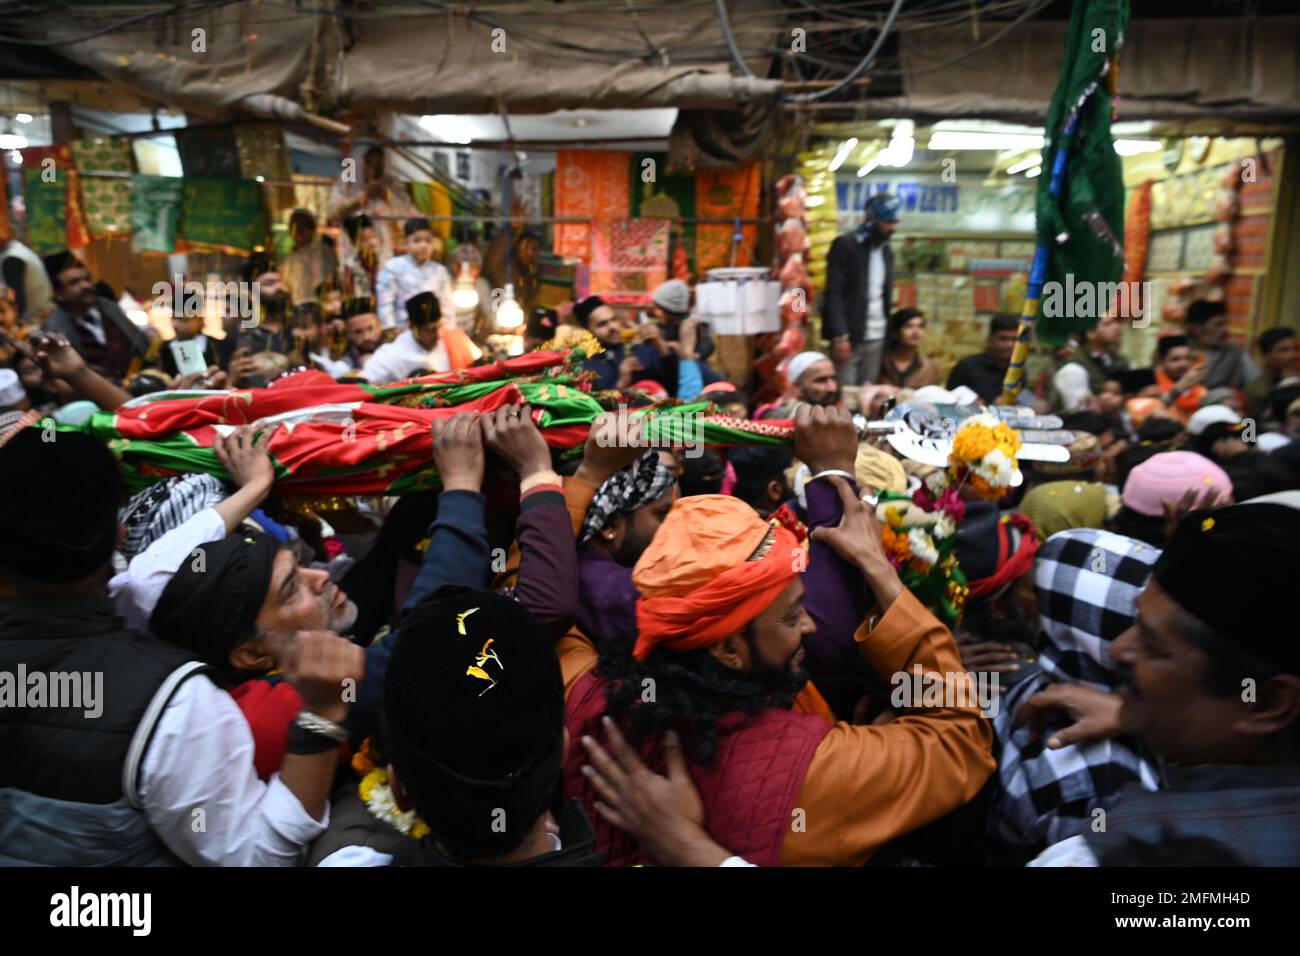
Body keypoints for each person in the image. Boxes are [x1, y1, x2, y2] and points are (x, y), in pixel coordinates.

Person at [560, 407, 995, 866]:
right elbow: (962, 737)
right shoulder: (815, 772)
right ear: (727, 648)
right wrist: (881, 574)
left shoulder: (586, 698)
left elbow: (537, 597)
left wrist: (590, 475)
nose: (810, 626)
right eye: (791, 617)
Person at [0, 429, 364, 866]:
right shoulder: (171, 703)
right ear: (120, 534)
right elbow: (254, 857)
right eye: (289, 588)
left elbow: (149, 575)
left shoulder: (141, 641)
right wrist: (322, 718)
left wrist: (254, 488)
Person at [1030, 495, 1300, 866]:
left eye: (1153, 646)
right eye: (1134, 621)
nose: (1118, 650)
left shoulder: (1104, 856)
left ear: (1267, 703)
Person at [823, 192, 899, 387]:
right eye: (887, 222)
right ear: (873, 220)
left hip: (878, 336)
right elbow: (834, 292)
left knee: (868, 393)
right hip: (850, 335)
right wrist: (840, 336)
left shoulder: (887, 252)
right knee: (845, 392)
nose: (893, 228)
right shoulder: (846, 245)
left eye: (895, 222)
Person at [42, 250, 150, 384]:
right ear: (58, 294)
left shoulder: (109, 307)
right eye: (74, 283)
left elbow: (142, 345)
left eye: (87, 279)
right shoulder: (55, 328)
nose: (86, 286)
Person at [359, 291, 479, 385]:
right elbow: (364, 380)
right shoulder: (394, 352)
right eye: (430, 330)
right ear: (412, 327)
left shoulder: (454, 339)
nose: (437, 334)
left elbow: (480, 367)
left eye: (439, 327)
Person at [327, 146, 419, 263]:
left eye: (378, 165)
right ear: (363, 162)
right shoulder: (347, 181)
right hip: (354, 253)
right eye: (370, 163)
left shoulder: (392, 184)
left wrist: (386, 196)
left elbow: (408, 214)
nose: (374, 170)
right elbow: (333, 212)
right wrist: (361, 199)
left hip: (387, 254)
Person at [375, 218, 455, 331]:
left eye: (428, 241)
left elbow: (447, 307)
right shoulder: (392, 267)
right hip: (402, 332)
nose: (423, 246)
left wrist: (448, 331)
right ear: (406, 242)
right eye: (417, 241)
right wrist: (390, 330)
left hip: (432, 333)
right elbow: (385, 304)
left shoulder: (440, 271)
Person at [576, 295, 666, 392]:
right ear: (589, 332)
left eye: (613, 319)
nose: (612, 326)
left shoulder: (643, 351)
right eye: (602, 324)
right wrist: (622, 384)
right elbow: (618, 407)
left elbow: (671, 388)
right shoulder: (589, 369)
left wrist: (663, 349)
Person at [1184, 299, 1258, 392]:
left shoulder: (1236, 354)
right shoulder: (1178, 352)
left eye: (1225, 324)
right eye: (1218, 324)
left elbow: (1256, 385)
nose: (1225, 330)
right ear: (1197, 329)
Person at [946, 313, 1020, 404]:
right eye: (1003, 339)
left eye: (1014, 340)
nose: (1009, 345)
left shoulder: (1018, 369)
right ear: (990, 339)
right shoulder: (967, 367)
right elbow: (948, 403)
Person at [278, 209, 339, 307]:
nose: (299, 231)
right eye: (295, 227)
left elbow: (331, 281)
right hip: (297, 310)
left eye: (303, 227)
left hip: (322, 308)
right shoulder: (287, 260)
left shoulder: (324, 252)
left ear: (312, 229)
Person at [1244, 327, 1298, 423]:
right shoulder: (1257, 392)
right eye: (1284, 350)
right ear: (1265, 355)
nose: (1293, 355)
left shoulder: (1295, 382)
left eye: (1296, 349)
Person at [1068, 312, 1131, 394]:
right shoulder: (1074, 370)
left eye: (1116, 322)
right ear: (1091, 333)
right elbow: (1079, 405)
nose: (1117, 327)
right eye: (1107, 324)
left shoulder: (1122, 361)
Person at [878, 307, 940, 389]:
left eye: (920, 326)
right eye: (909, 326)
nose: (916, 332)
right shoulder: (880, 363)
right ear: (896, 332)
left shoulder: (928, 368)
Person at [1152, 334, 1206, 423]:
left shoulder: (1200, 388)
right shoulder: (1153, 386)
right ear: (1161, 361)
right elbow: (1149, 413)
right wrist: (1178, 390)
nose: (1183, 364)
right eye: (1175, 359)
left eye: (1187, 358)